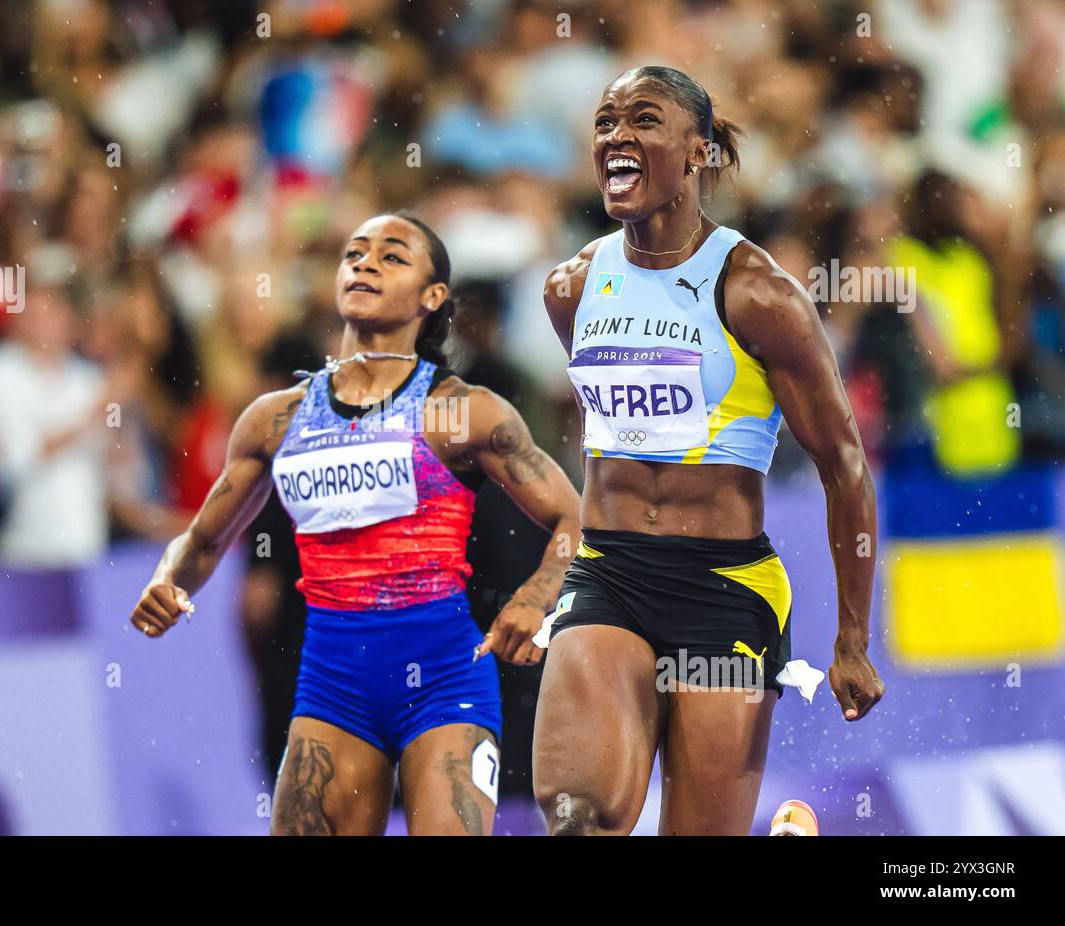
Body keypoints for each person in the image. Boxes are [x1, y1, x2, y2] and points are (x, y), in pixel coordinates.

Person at [131, 212, 580, 835]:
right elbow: (204, 538)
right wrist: (171, 579)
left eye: (392, 256)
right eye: (355, 252)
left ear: (433, 297)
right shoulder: (274, 421)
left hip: (445, 679)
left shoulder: (461, 413)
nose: (365, 263)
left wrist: (536, 597)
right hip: (332, 686)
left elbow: (570, 518)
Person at [531, 66, 884, 836]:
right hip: (609, 574)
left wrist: (853, 636)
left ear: (696, 153)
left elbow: (844, 466)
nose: (617, 136)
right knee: (576, 820)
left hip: (724, 590)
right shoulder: (572, 288)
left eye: (644, 120)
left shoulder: (759, 294)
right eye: (605, 122)